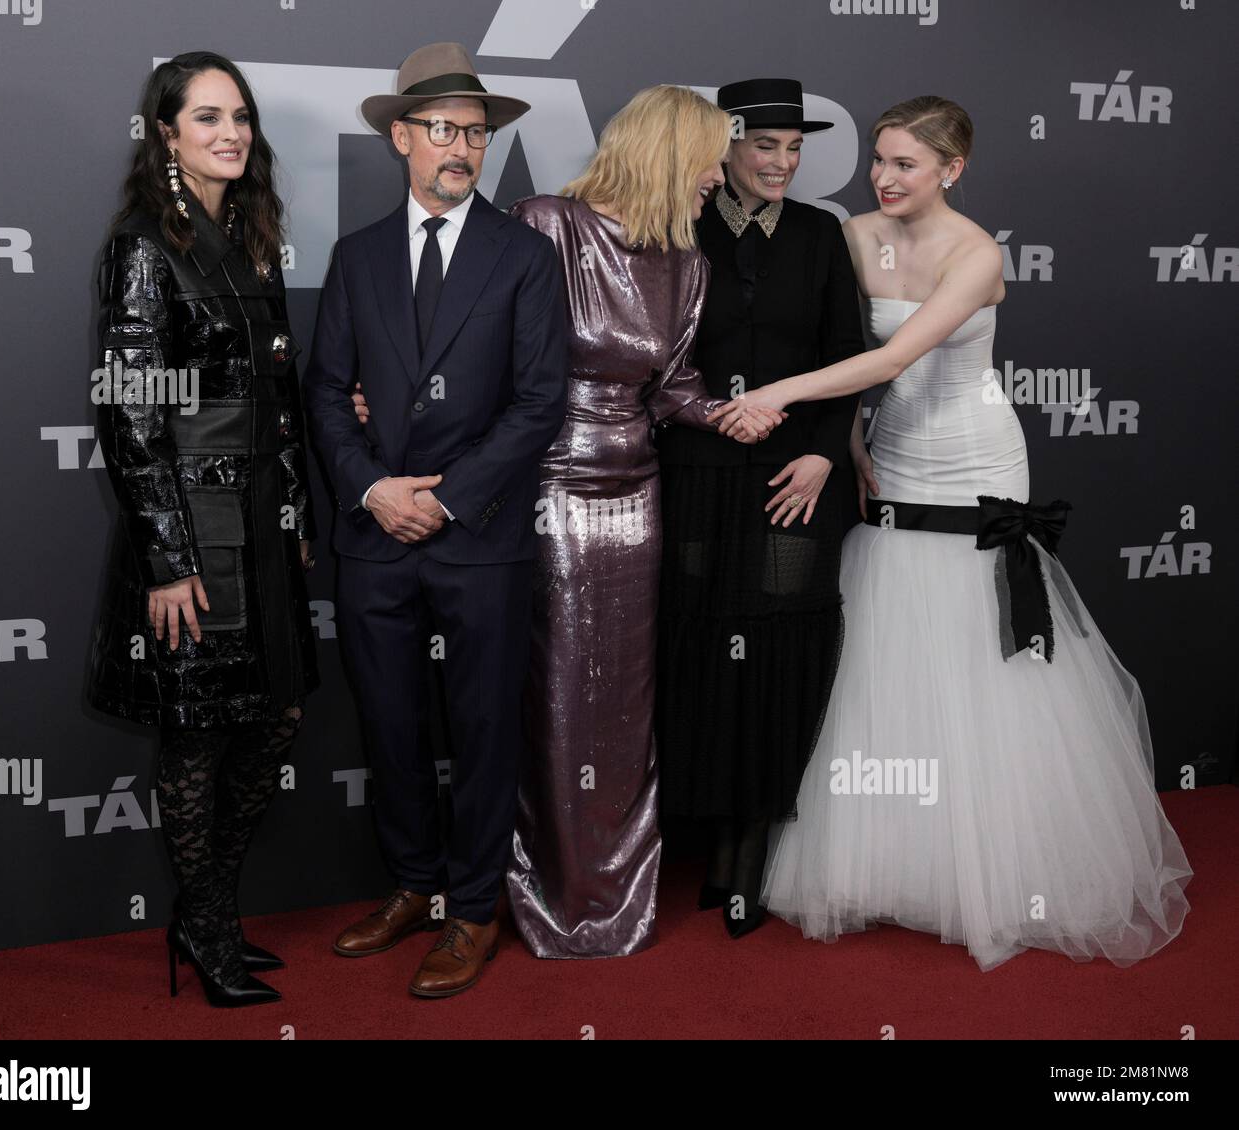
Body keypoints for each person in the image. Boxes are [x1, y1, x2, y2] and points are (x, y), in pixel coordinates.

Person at [711, 96, 1192, 970]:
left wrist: (777, 395)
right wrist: (849, 441)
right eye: (879, 161)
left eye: (906, 165)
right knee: (888, 636)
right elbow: (845, 350)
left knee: (975, 646)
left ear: (952, 171)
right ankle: (895, 855)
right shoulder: (852, 236)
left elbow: (895, 358)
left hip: (974, 463)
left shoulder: (977, 254)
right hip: (889, 457)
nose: (884, 178)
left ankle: (993, 865)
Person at [303, 43, 568, 998]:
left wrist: (447, 497)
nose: (463, 148)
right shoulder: (357, 256)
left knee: (486, 725)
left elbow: (539, 403)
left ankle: (474, 908)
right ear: (401, 137)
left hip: (480, 535)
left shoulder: (525, 257)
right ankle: (413, 885)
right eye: (445, 130)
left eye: (478, 133)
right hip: (374, 534)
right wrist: (375, 490)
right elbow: (327, 393)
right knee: (389, 722)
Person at [502, 85, 785, 959]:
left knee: (624, 701)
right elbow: (491, 356)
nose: (719, 174)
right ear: (668, 151)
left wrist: (730, 414)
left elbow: (669, 389)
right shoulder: (549, 223)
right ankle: (555, 891)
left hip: (638, 496)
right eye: (709, 155)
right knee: (557, 697)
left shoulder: (686, 262)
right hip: (548, 489)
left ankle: (619, 894)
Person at [88, 52, 318, 1006]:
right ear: (166, 133)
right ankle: (209, 924)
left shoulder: (253, 236)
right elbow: (131, 416)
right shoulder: (145, 245)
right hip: (193, 526)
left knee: (274, 720)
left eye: (241, 117)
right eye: (208, 117)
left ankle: (205, 912)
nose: (231, 133)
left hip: (264, 519)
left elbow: (282, 396)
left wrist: (296, 511)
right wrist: (168, 561)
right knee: (197, 737)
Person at [654, 78, 864, 938]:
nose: (781, 163)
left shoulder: (821, 234)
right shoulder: (681, 224)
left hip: (793, 479)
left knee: (778, 646)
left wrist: (821, 451)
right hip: (700, 471)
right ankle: (709, 833)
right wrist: (708, 418)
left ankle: (755, 842)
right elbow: (657, 353)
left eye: (794, 149)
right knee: (704, 641)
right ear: (724, 147)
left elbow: (845, 356)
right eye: (763, 146)